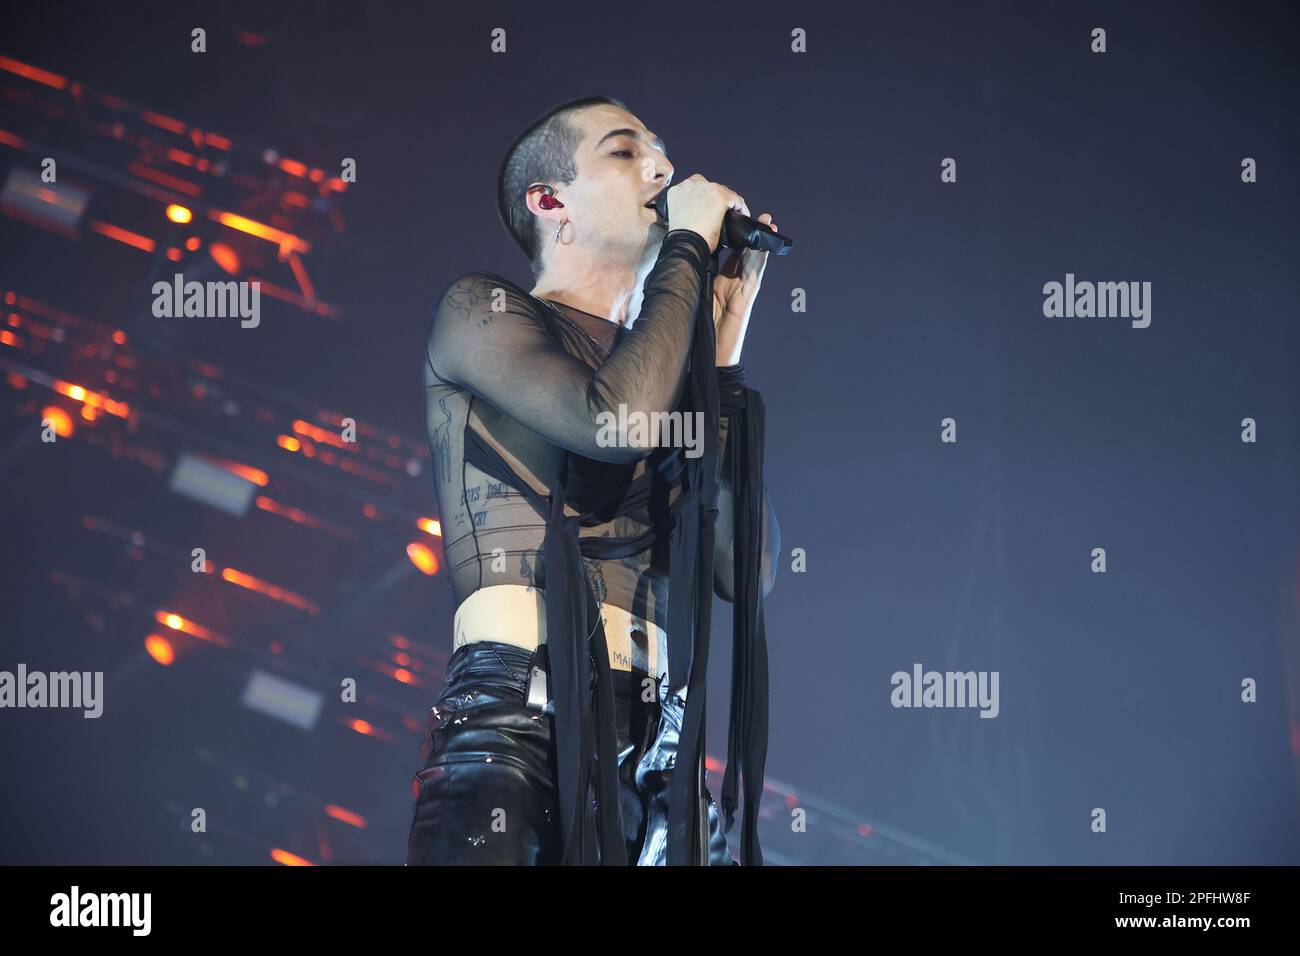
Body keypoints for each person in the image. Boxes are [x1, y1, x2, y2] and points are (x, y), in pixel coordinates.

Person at [407, 95, 779, 865]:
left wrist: (723, 360)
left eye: (662, 153)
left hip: (658, 759)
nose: (663, 168)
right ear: (550, 202)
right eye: (624, 151)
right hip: (520, 725)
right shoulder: (483, 310)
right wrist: (683, 242)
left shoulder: (668, 383)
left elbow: (745, 570)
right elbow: (614, 424)